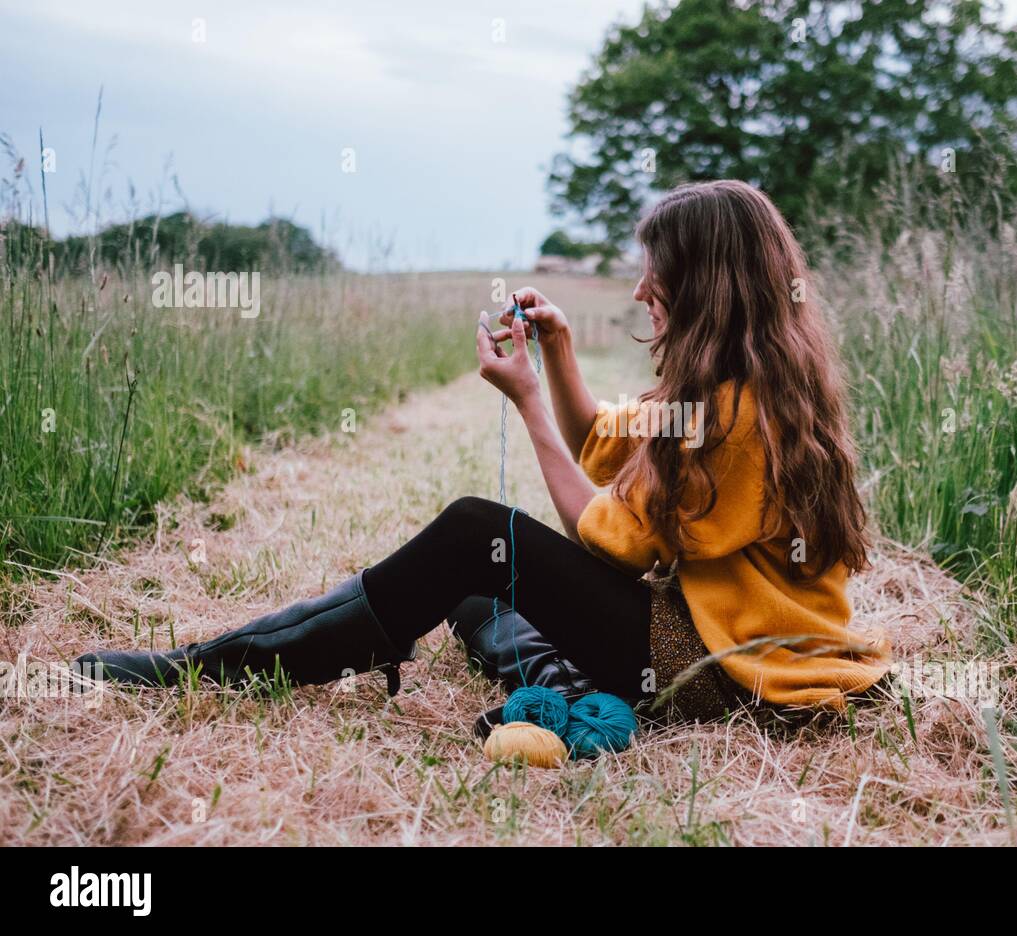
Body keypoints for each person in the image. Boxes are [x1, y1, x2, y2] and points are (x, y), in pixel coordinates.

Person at [75, 180, 891, 732]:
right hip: (707, 637)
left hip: (719, 668)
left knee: (475, 533)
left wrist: (528, 401)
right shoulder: (746, 385)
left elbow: (605, 535)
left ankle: (210, 667)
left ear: (709, 284)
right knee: (472, 586)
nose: (643, 290)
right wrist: (558, 356)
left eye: (657, 273)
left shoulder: (733, 414)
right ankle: (566, 688)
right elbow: (604, 448)